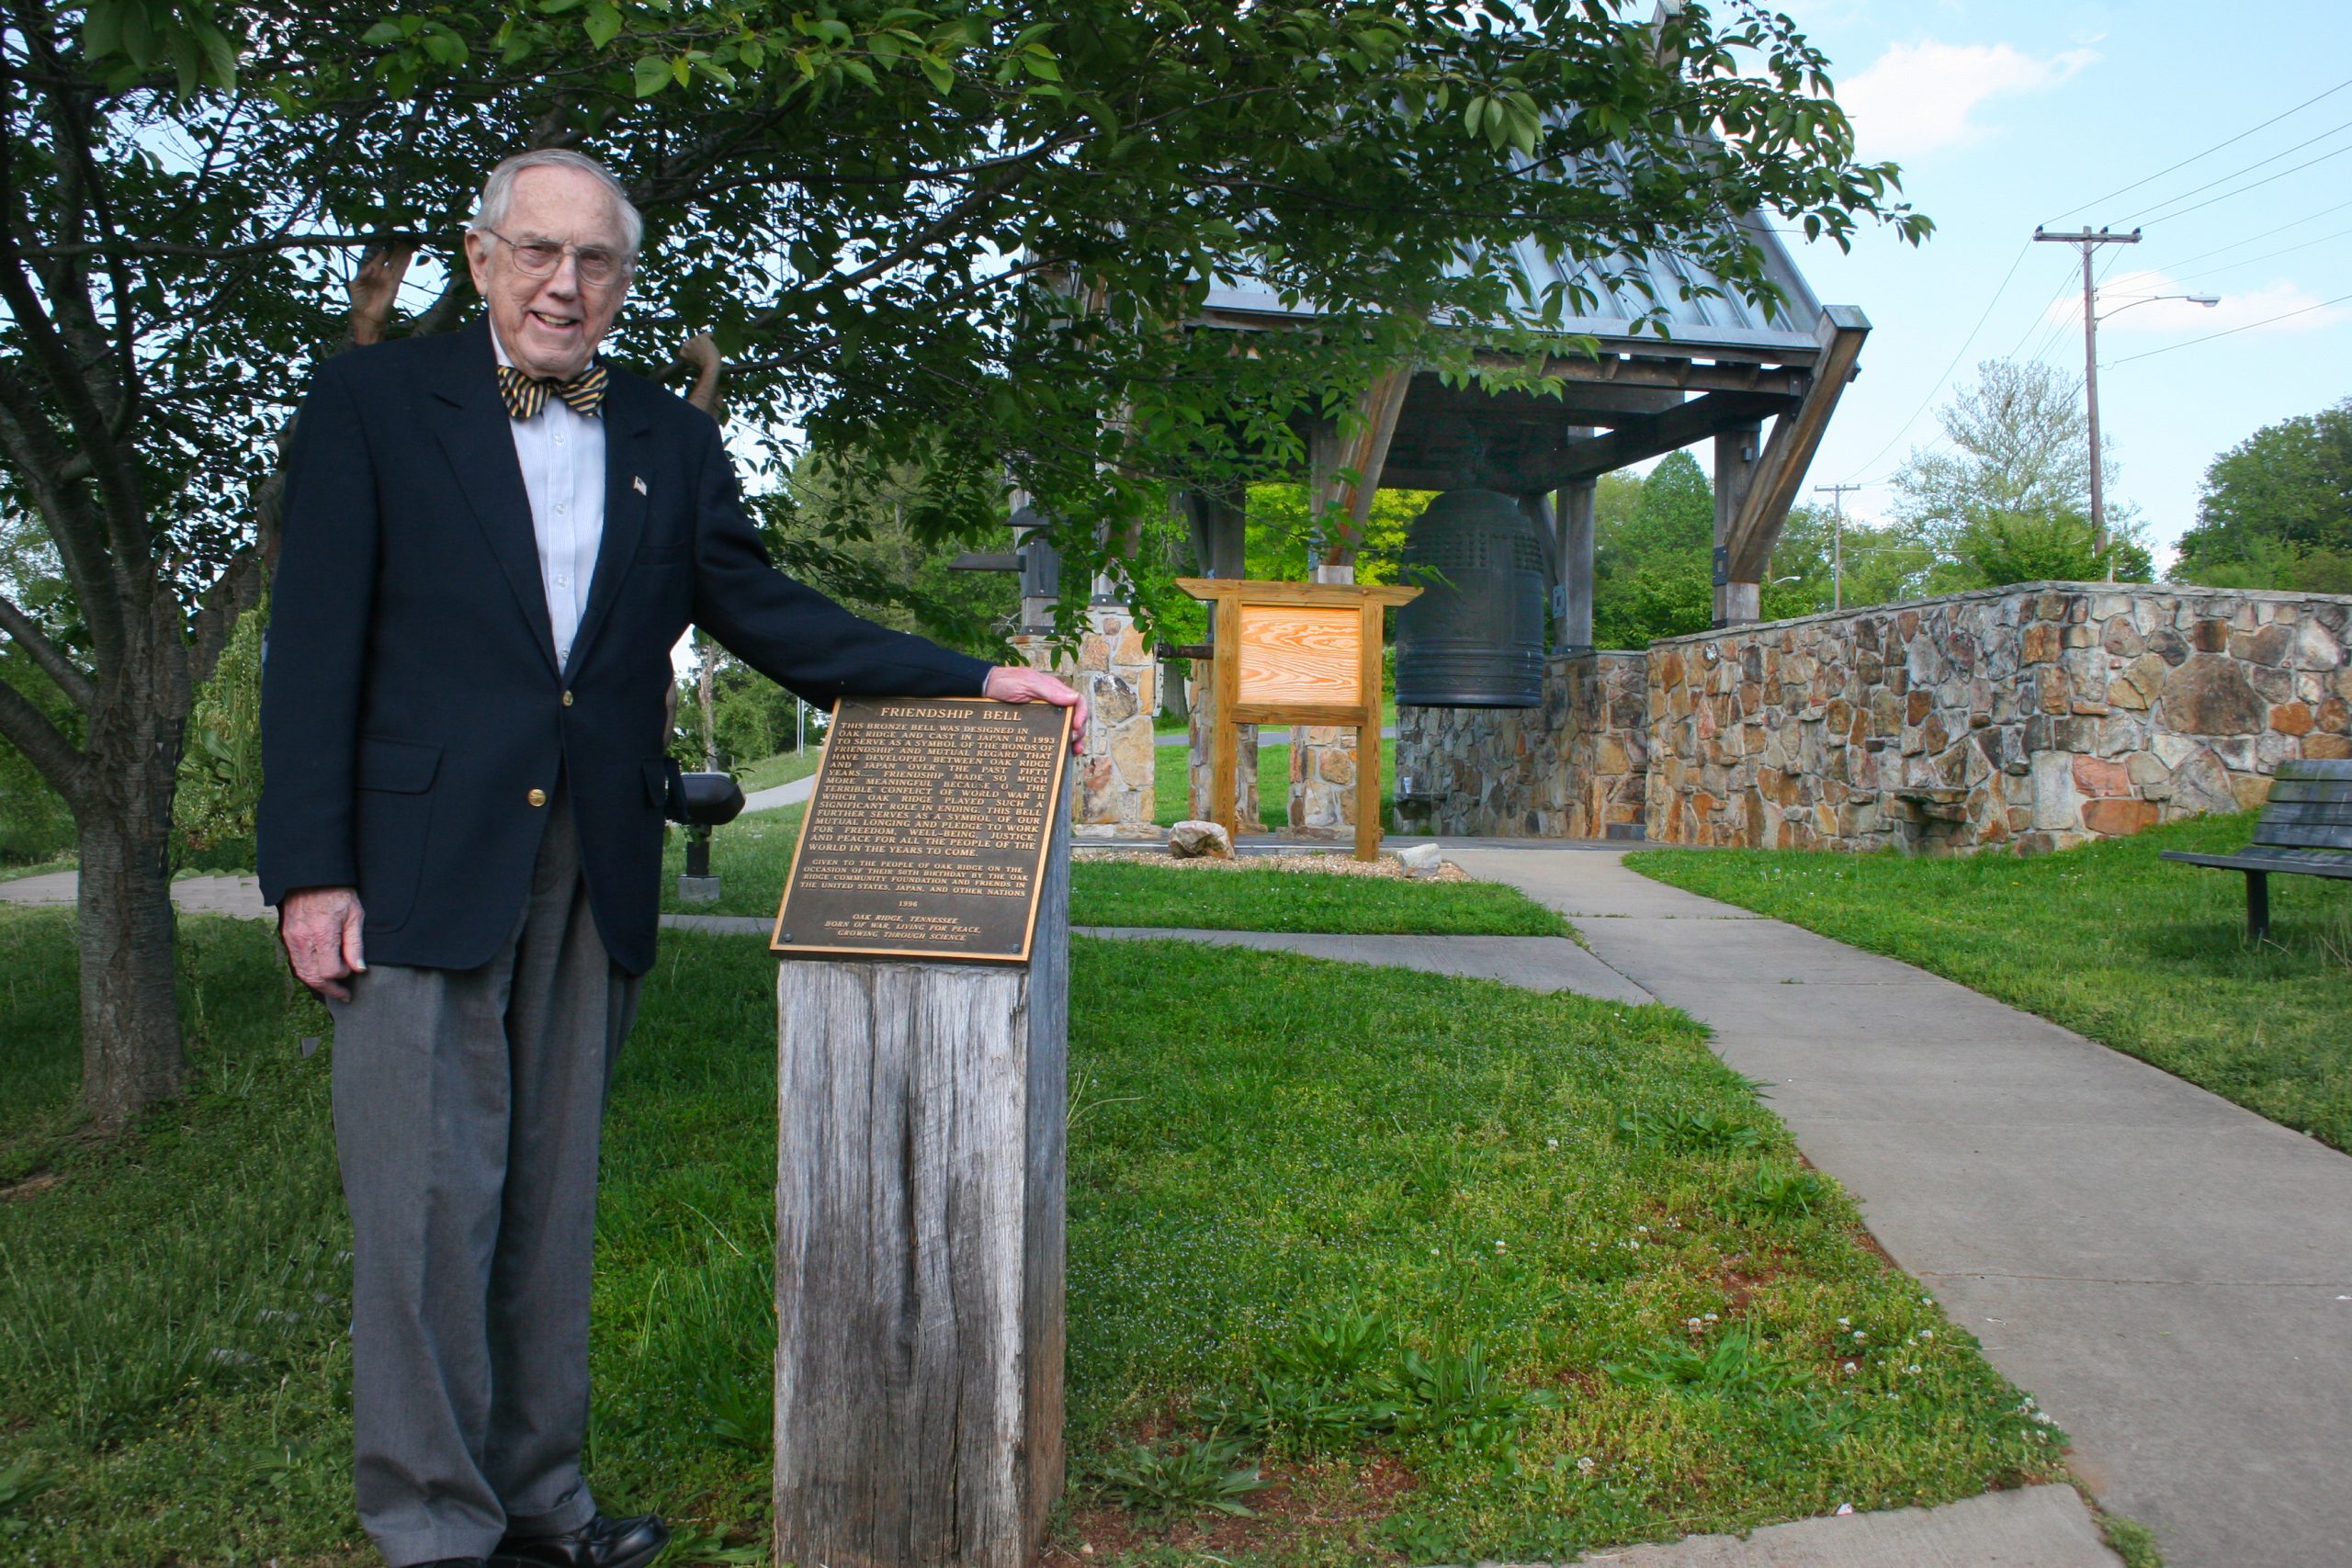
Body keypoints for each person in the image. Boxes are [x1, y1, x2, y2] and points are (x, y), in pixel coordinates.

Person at [256, 148, 1085, 1568]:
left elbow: (759, 605)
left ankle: (541, 1504)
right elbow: (312, 646)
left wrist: (968, 680)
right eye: (537, 253)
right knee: (424, 1208)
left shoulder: (664, 433)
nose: (564, 286)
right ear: (479, 257)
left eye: (596, 263)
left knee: (548, 1199)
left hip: (596, 855)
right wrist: (309, 872)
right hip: (409, 862)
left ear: (624, 285)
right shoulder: (371, 403)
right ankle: (434, 1528)